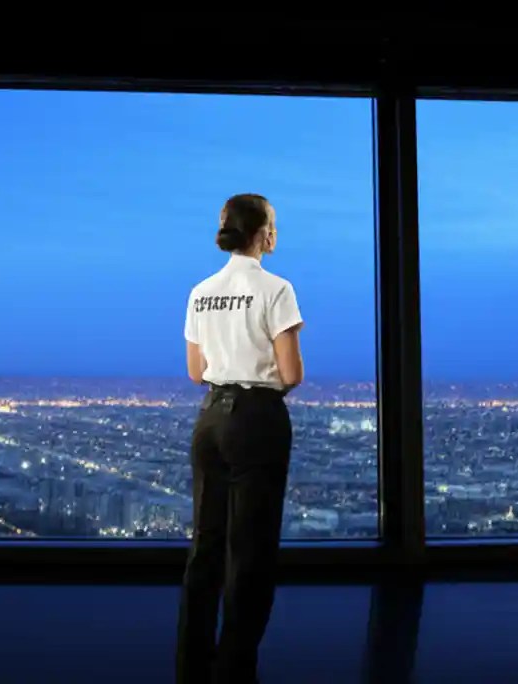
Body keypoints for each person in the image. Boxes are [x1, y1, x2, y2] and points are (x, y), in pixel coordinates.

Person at [176, 193, 305, 684]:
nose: (276, 232)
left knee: (205, 546)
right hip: (256, 421)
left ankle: (190, 665)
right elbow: (290, 371)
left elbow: (195, 371)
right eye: (273, 223)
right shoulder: (277, 289)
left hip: (209, 419)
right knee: (250, 551)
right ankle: (234, 669)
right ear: (262, 233)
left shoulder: (200, 291)